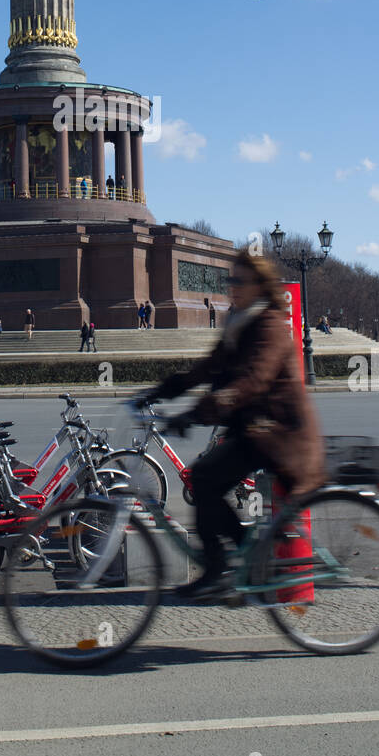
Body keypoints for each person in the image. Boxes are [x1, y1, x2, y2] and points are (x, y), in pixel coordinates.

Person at [140, 249, 325, 600]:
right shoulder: (240, 321)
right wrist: (164, 390)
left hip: (279, 435)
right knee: (206, 477)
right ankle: (244, 559)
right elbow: (207, 369)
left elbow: (251, 383)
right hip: (257, 430)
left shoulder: (268, 324)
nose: (232, 287)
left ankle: (220, 566)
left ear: (258, 285)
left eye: (239, 280)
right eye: (231, 280)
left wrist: (196, 413)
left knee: (205, 477)